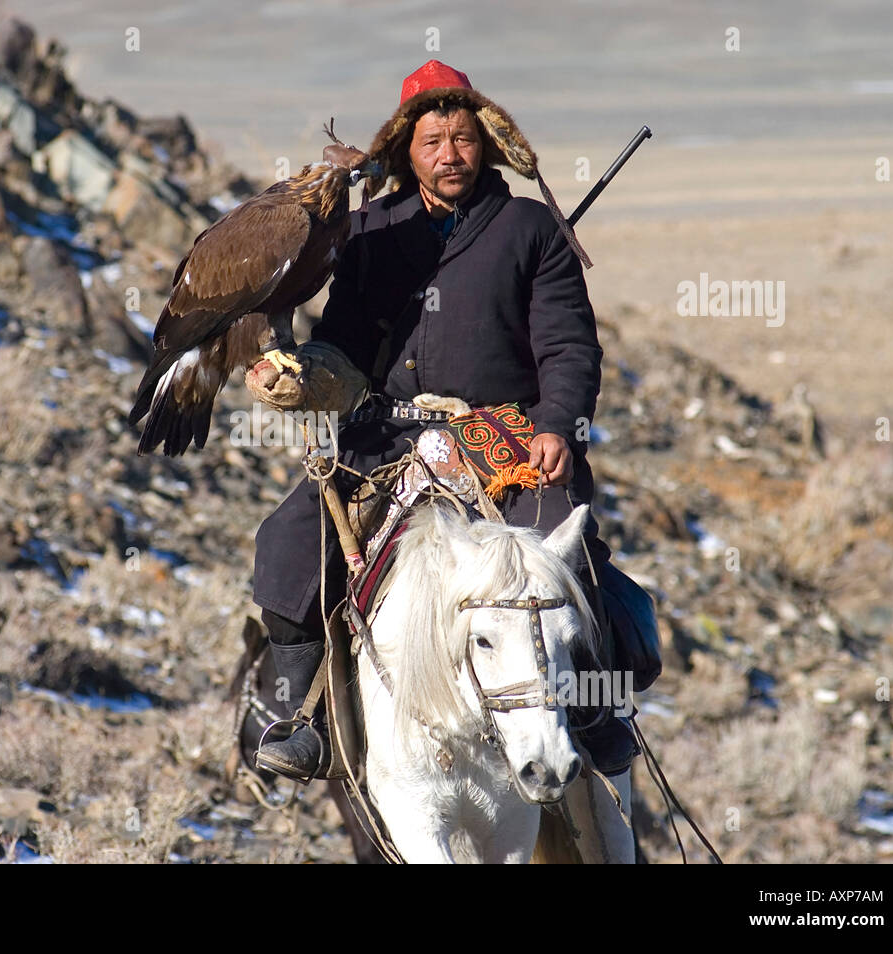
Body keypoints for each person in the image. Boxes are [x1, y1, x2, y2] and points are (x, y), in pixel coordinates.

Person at [247, 61, 639, 805]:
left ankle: (593, 706)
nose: (450, 154)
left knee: (564, 545)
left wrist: (557, 426)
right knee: (288, 543)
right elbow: (344, 343)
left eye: (462, 138)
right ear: (407, 151)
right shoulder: (369, 231)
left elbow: (568, 345)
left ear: (484, 144)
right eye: (433, 141)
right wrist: (302, 375)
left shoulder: (530, 229)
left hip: (503, 437)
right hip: (385, 435)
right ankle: (311, 720)